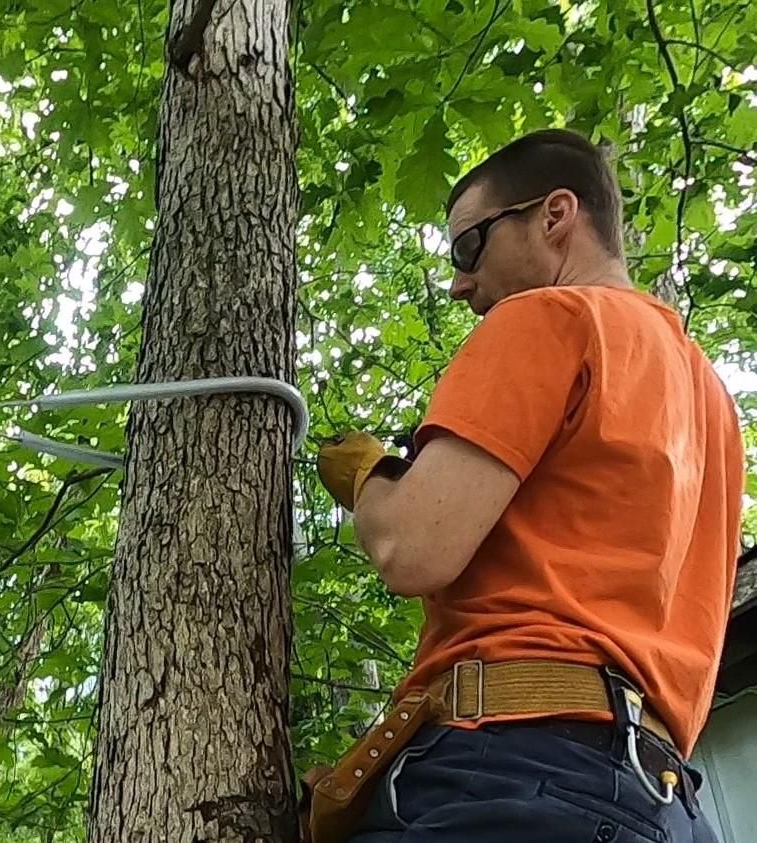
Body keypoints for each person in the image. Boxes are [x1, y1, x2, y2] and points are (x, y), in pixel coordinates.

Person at [309, 128, 745, 843]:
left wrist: (369, 478)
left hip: (515, 770)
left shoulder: (550, 315)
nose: (459, 282)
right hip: (663, 803)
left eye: (468, 246)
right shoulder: (710, 401)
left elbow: (411, 547)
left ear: (554, 215)